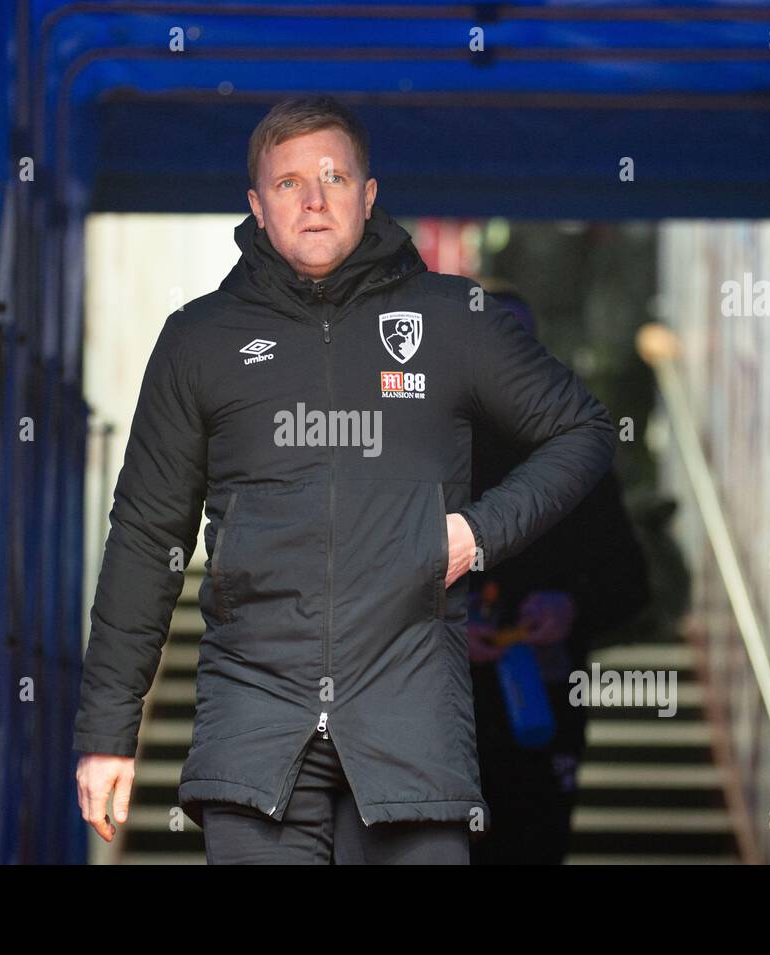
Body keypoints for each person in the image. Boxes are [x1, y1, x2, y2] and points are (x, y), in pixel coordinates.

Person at [73, 96, 616, 864]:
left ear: (368, 194)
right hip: (255, 733)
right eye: (289, 182)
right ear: (257, 207)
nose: (315, 198)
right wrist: (107, 733)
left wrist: (477, 533)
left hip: (409, 732)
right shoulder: (198, 340)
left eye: (334, 176)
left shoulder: (451, 317)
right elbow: (144, 537)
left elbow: (584, 429)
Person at [462, 286, 652, 864]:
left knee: (534, 848)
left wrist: (572, 607)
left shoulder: (581, 463)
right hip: (433, 719)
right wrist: (441, 625)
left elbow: (630, 586)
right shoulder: (415, 461)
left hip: (542, 715)